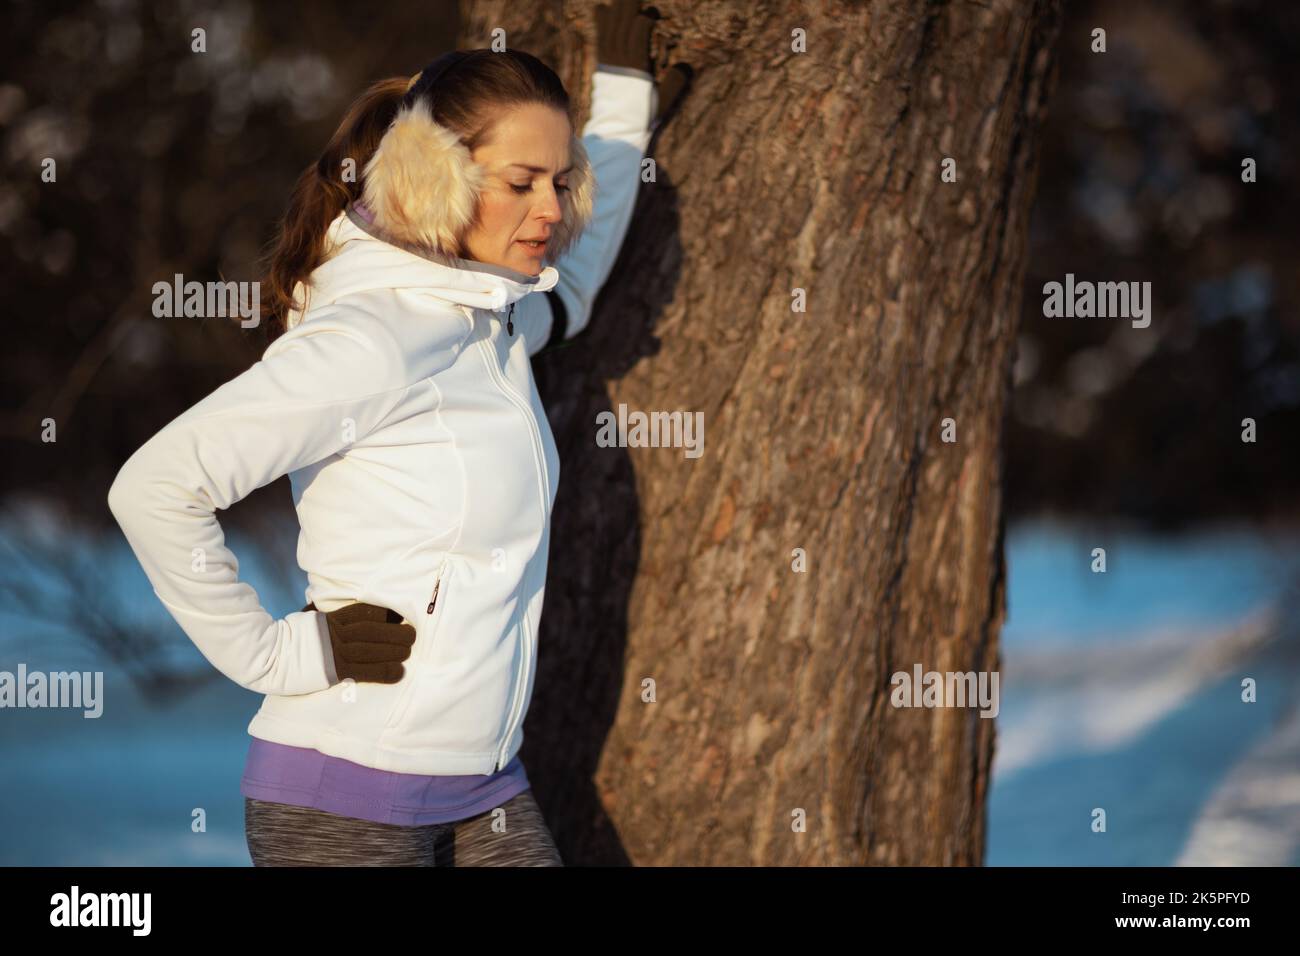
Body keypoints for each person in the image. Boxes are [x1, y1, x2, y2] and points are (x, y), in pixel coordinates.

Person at [106, 1, 689, 866]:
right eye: (521, 182)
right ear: (433, 179)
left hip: (486, 785)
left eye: (562, 183)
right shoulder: (371, 340)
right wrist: (276, 655)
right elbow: (154, 488)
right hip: (343, 800)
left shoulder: (490, 322)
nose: (549, 209)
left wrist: (624, 106)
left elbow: (574, 292)